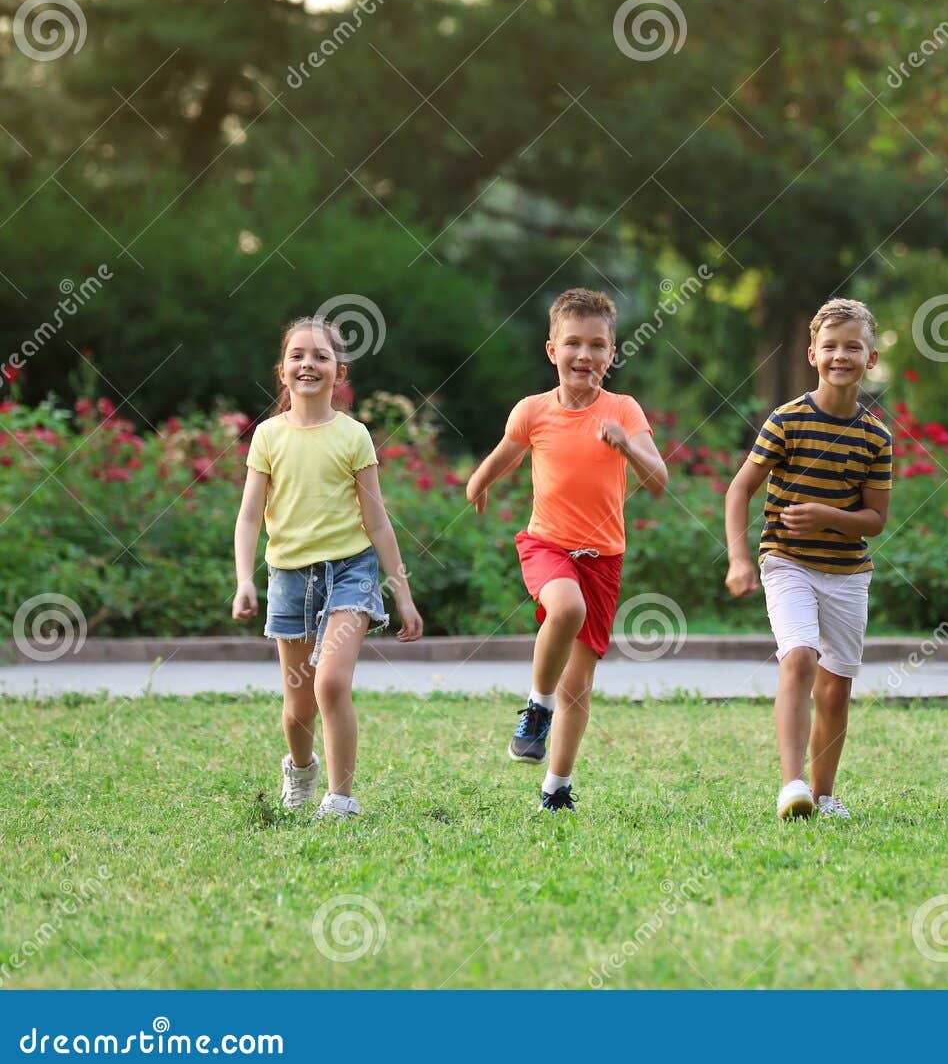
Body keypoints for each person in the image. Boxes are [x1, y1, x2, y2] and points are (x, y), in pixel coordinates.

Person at [465, 288, 668, 813]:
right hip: (547, 544)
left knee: (578, 687)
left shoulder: (623, 410)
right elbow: (503, 456)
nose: (585, 355)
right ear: (552, 350)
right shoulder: (534, 411)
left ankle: (556, 789)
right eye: (573, 343)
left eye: (596, 345)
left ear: (612, 352)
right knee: (566, 608)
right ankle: (536, 704)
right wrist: (478, 484)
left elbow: (660, 480)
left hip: (603, 558)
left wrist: (626, 444)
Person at [232, 317, 423, 820]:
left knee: (331, 683)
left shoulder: (354, 435)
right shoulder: (268, 437)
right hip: (290, 580)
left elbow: (377, 520)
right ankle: (300, 770)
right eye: (297, 355)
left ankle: (340, 798)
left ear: (340, 372)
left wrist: (401, 593)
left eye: (320, 356)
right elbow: (250, 515)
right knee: (298, 709)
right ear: (282, 371)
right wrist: (243, 580)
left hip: (350, 573)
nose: (308, 364)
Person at [723, 299, 893, 820]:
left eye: (853, 347)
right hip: (787, 561)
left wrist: (826, 515)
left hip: (846, 573)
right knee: (798, 657)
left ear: (870, 357)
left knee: (836, 687)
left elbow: (874, 520)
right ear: (813, 353)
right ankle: (791, 784)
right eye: (831, 347)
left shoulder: (875, 437)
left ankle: (823, 793)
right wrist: (738, 559)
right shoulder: (788, 420)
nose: (841, 356)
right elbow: (740, 489)